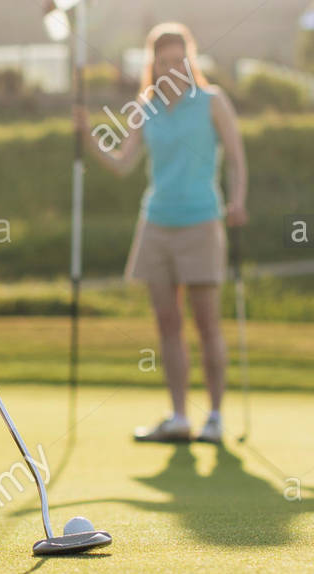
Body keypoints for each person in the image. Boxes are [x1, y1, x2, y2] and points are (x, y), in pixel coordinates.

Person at [73, 23, 248, 444]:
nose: (171, 68)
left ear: (190, 62)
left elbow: (238, 158)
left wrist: (238, 200)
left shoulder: (212, 101)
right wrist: (87, 135)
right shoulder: (145, 106)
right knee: (167, 325)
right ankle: (179, 417)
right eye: (163, 61)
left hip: (202, 220)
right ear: (153, 65)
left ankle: (216, 417)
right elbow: (122, 164)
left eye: (179, 60)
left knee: (207, 324)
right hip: (155, 223)